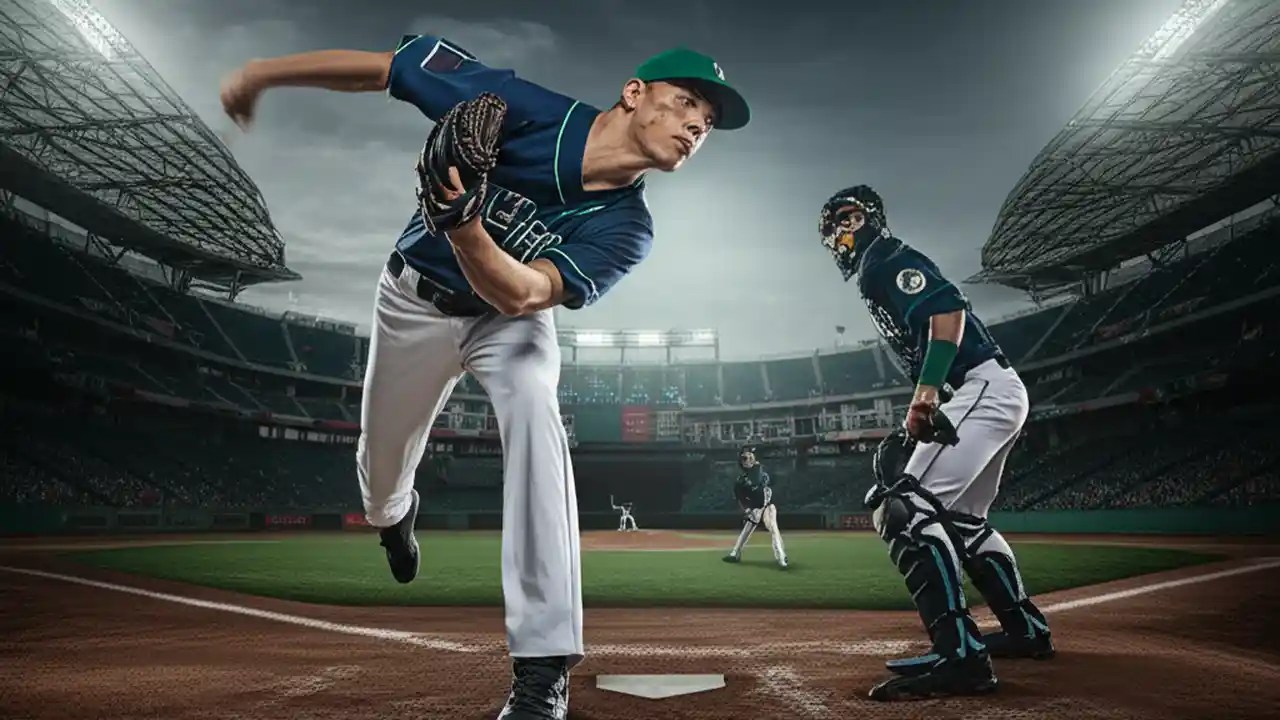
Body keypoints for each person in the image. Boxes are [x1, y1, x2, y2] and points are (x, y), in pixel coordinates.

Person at [220, 38, 749, 720]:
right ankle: (394, 516)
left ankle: (543, 666)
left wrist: (464, 222)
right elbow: (389, 69)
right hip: (410, 302)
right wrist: (263, 73)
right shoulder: (527, 111)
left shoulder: (628, 227)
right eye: (685, 103)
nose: (694, 127)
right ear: (633, 92)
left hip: (507, 321)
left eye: (705, 125)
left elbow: (526, 294)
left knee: (536, 411)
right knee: (379, 473)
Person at [816, 185, 1054, 702]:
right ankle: (1025, 631)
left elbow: (947, 314)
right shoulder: (876, 267)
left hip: (981, 386)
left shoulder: (885, 259)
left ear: (872, 219)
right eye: (833, 225)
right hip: (991, 389)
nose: (841, 230)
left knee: (902, 507)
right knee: (964, 522)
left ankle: (961, 657)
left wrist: (924, 397)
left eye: (848, 218)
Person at [722, 443, 788, 569]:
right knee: (746, 530)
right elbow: (740, 498)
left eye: (750, 457)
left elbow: (761, 482)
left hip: (767, 505)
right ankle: (735, 553)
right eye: (745, 458)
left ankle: (781, 556)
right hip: (755, 507)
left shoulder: (759, 471)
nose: (748, 460)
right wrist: (747, 510)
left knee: (773, 528)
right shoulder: (741, 480)